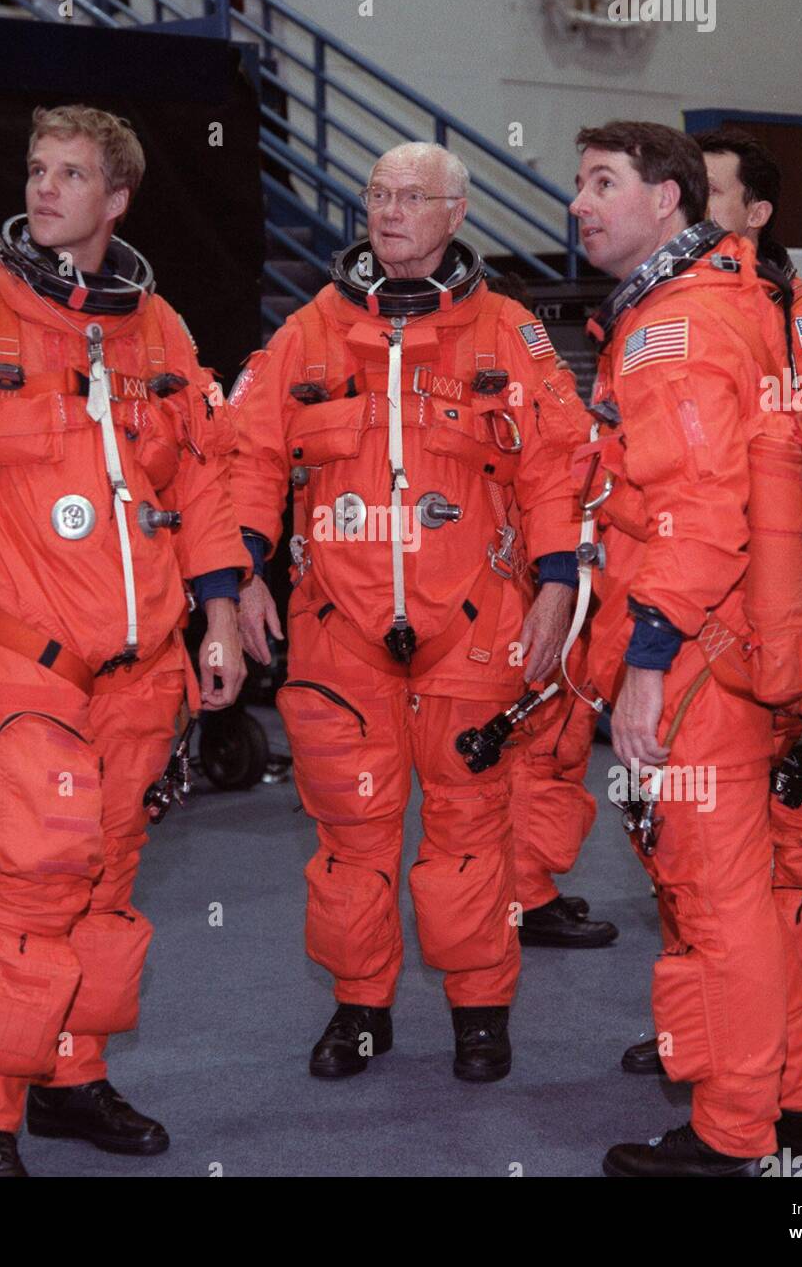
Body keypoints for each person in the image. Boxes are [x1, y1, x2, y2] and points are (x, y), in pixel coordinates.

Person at [0, 104, 249, 1177]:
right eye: (36, 168)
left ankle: (73, 1079)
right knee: (33, 872)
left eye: (70, 173)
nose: (44, 189)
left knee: (107, 876)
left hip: (140, 669)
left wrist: (220, 618)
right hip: (15, 652)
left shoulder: (159, 330)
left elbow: (202, 479)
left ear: (115, 198)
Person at [230, 142, 582, 1082]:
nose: (388, 212)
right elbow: (247, 460)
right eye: (378, 195)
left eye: (412, 198)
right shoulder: (306, 334)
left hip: (474, 619)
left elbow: (559, 462)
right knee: (350, 837)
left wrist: (558, 583)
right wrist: (240, 572)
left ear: (455, 213)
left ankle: (478, 1013)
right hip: (336, 626)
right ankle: (360, 1010)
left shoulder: (509, 332)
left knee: (470, 831)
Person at [569, 121, 802, 1176]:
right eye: (577, 184)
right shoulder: (730, 303)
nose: (581, 203)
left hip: (695, 658)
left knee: (715, 909)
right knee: (748, 902)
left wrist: (644, 662)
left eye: (603, 183)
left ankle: (733, 1138)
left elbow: (696, 513)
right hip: (741, 644)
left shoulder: (671, 330)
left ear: (669, 200)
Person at [619, 129, 802, 1109]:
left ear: (758, 214)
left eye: (712, 195)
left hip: (798, 629)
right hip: (712, 637)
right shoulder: (667, 315)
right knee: (697, 859)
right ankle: (725, 1028)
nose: (693, 209)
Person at [479, 275, 617, 950]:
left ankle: (524, 886)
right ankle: (523, 896)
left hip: (552, 582)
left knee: (552, 744)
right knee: (544, 746)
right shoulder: (504, 392)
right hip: (527, 594)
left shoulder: (529, 387)